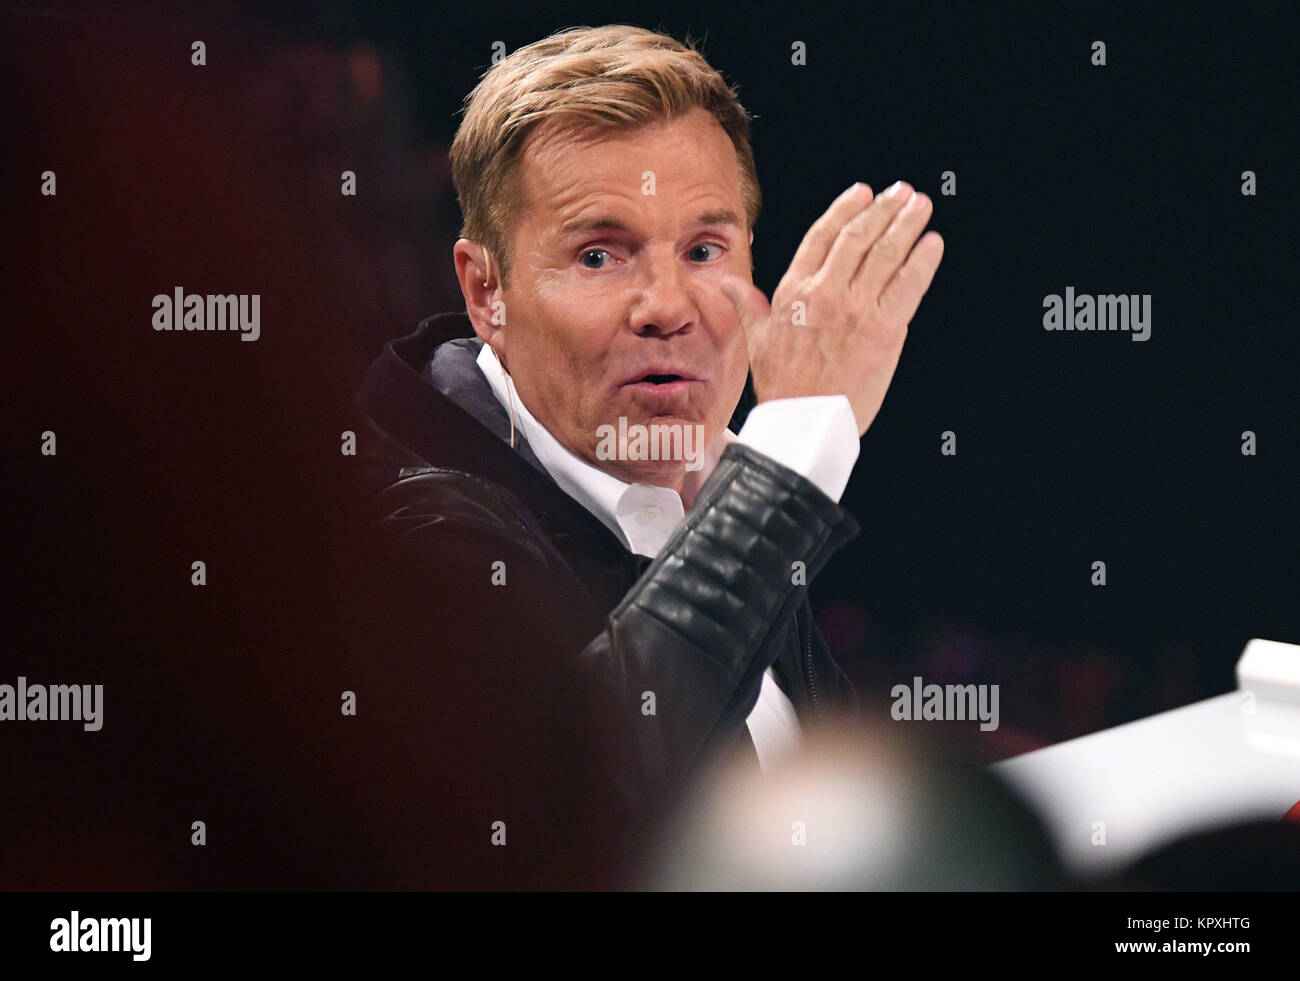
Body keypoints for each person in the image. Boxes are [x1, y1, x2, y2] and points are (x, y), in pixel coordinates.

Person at [349, 24, 943, 885]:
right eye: (599, 255)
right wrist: (782, 474)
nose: (669, 305)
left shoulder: (716, 483)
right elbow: (559, 808)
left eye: (705, 250)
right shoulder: (402, 525)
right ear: (488, 293)